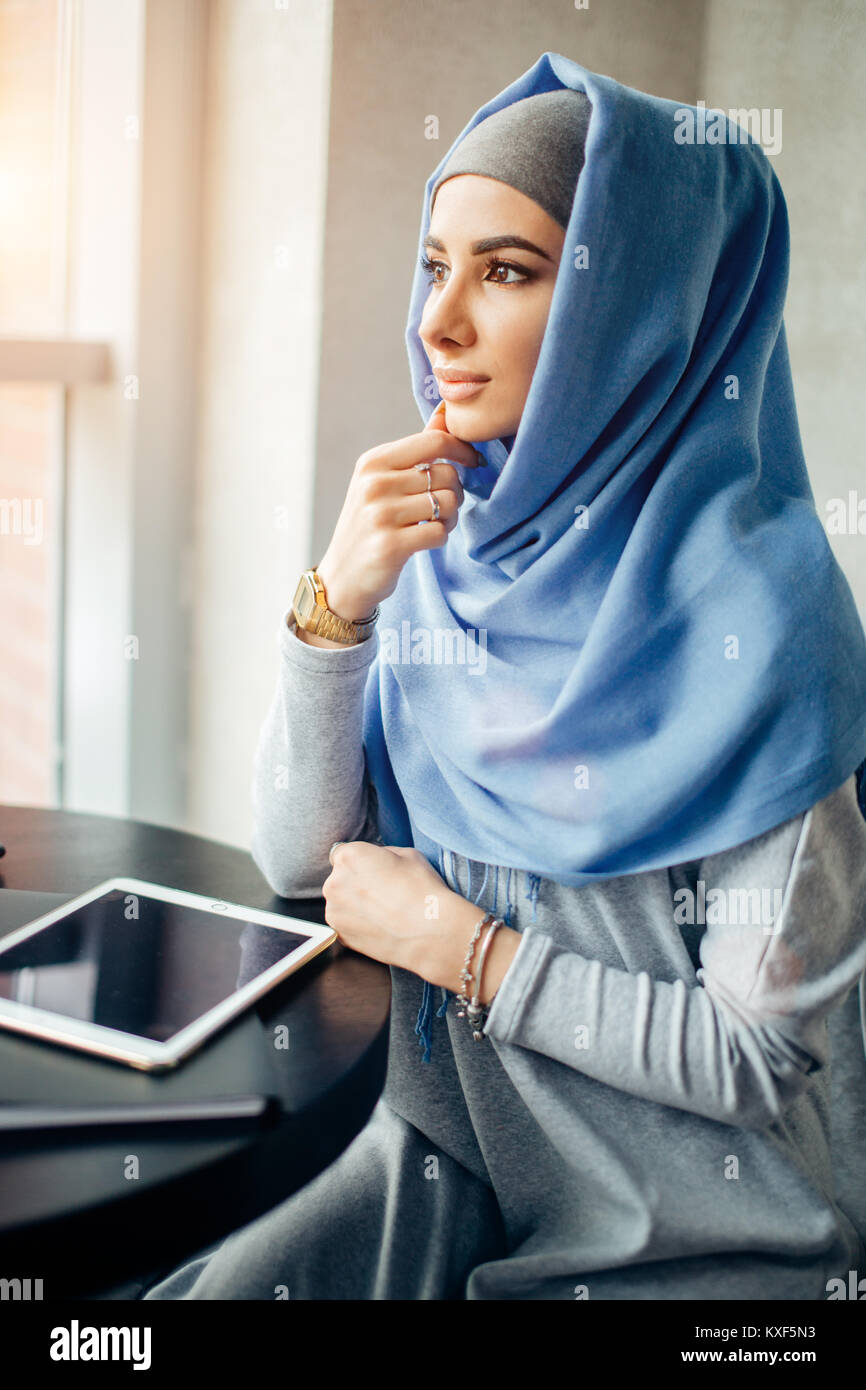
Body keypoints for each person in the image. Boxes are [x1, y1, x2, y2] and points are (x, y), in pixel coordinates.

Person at [142, 52, 866, 1301]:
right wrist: (335, 609)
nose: (436, 322)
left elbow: (761, 1055)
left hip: (706, 1249)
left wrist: (467, 949)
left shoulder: (767, 621)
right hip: (455, 1167)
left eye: (510, 271)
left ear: (635, 301)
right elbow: (303, 863)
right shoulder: (444, 548)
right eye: (435, 266)